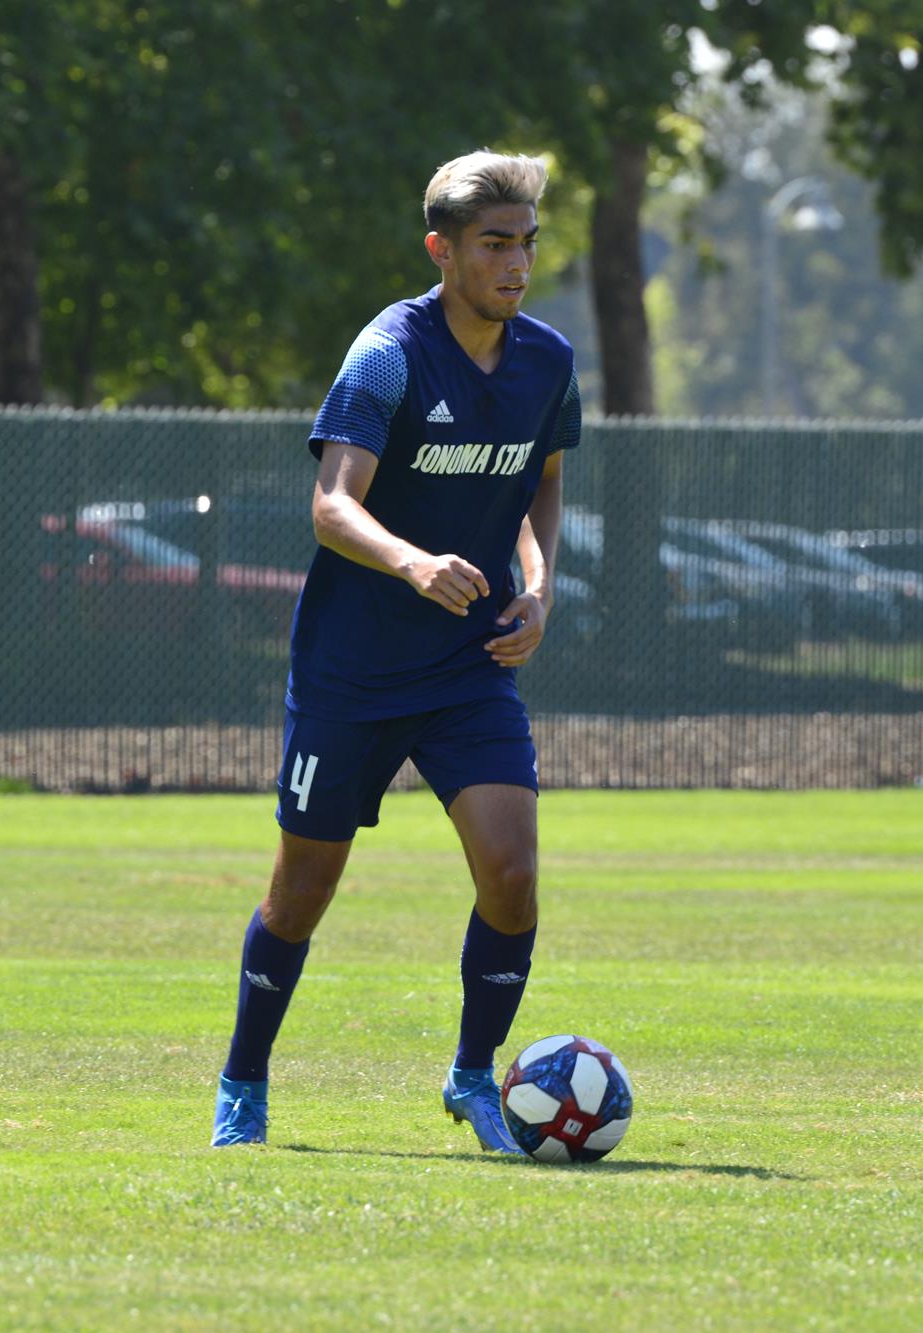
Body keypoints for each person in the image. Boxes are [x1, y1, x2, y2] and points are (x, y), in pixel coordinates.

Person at [211, 150, 581, 1153]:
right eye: (493, 244)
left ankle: (471, 1079)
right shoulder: (388, 353)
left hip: (470, 667)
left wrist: (538, 586)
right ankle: (242, 1081)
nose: (515, 263)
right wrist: (414, 563)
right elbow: (331, 505)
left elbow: (539, 483)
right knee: (298, 895)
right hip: (351, 671)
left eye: (526, 243)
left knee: (510, 871)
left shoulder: (546, 361)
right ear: (442, 250)